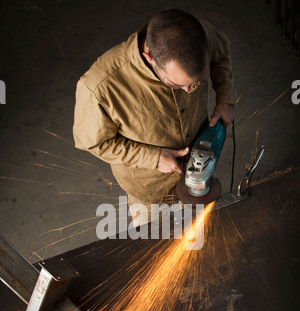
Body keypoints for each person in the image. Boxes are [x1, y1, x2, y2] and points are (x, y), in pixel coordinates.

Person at [73, 9, 236, 225]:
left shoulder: (197, 34)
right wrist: (152, 157)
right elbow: (93, 143)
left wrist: (225, 97)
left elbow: (221, 52)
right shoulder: (99, 87)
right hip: (150, 191)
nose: (188, 90)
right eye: (177, 84)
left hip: (198, 173)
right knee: (157, 246)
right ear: (150, 56)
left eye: (195, 81)